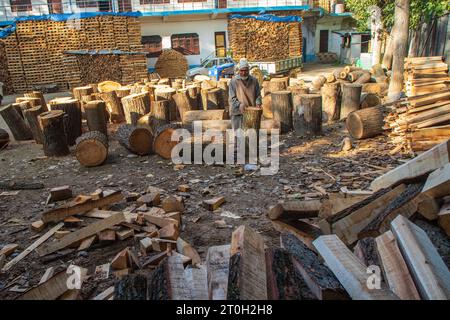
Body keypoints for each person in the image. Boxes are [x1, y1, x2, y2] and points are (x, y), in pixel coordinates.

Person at [228, 59, 262, 129]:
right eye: (241, 71)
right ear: (239, 70)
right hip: (237, 113)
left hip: (251, 113)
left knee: (251, 135)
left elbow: (258, 94)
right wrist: (239, 104)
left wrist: (258, 103)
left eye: (245, 70)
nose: (244, 73)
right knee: (238, 136)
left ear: (248, 70)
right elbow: (232, 98)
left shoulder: (254, 81)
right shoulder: (233, 82)